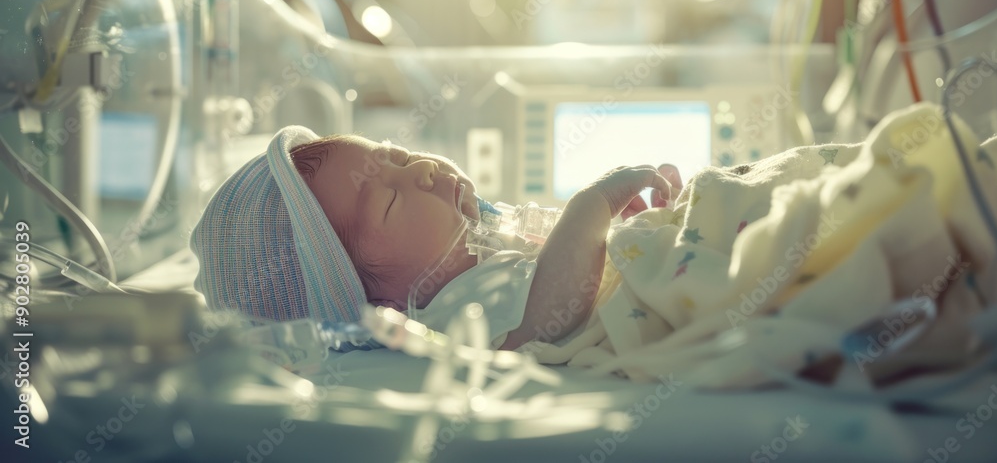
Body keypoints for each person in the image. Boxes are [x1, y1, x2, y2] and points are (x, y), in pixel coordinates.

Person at [189, 125, 674, 349]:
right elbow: (553, 309)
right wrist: (591, 207)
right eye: (390, 201)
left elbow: (573, 257)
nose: (421, 168)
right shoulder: (452, 309)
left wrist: (628, 226)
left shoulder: (481, 253)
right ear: (384, 308)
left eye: (397, 157)